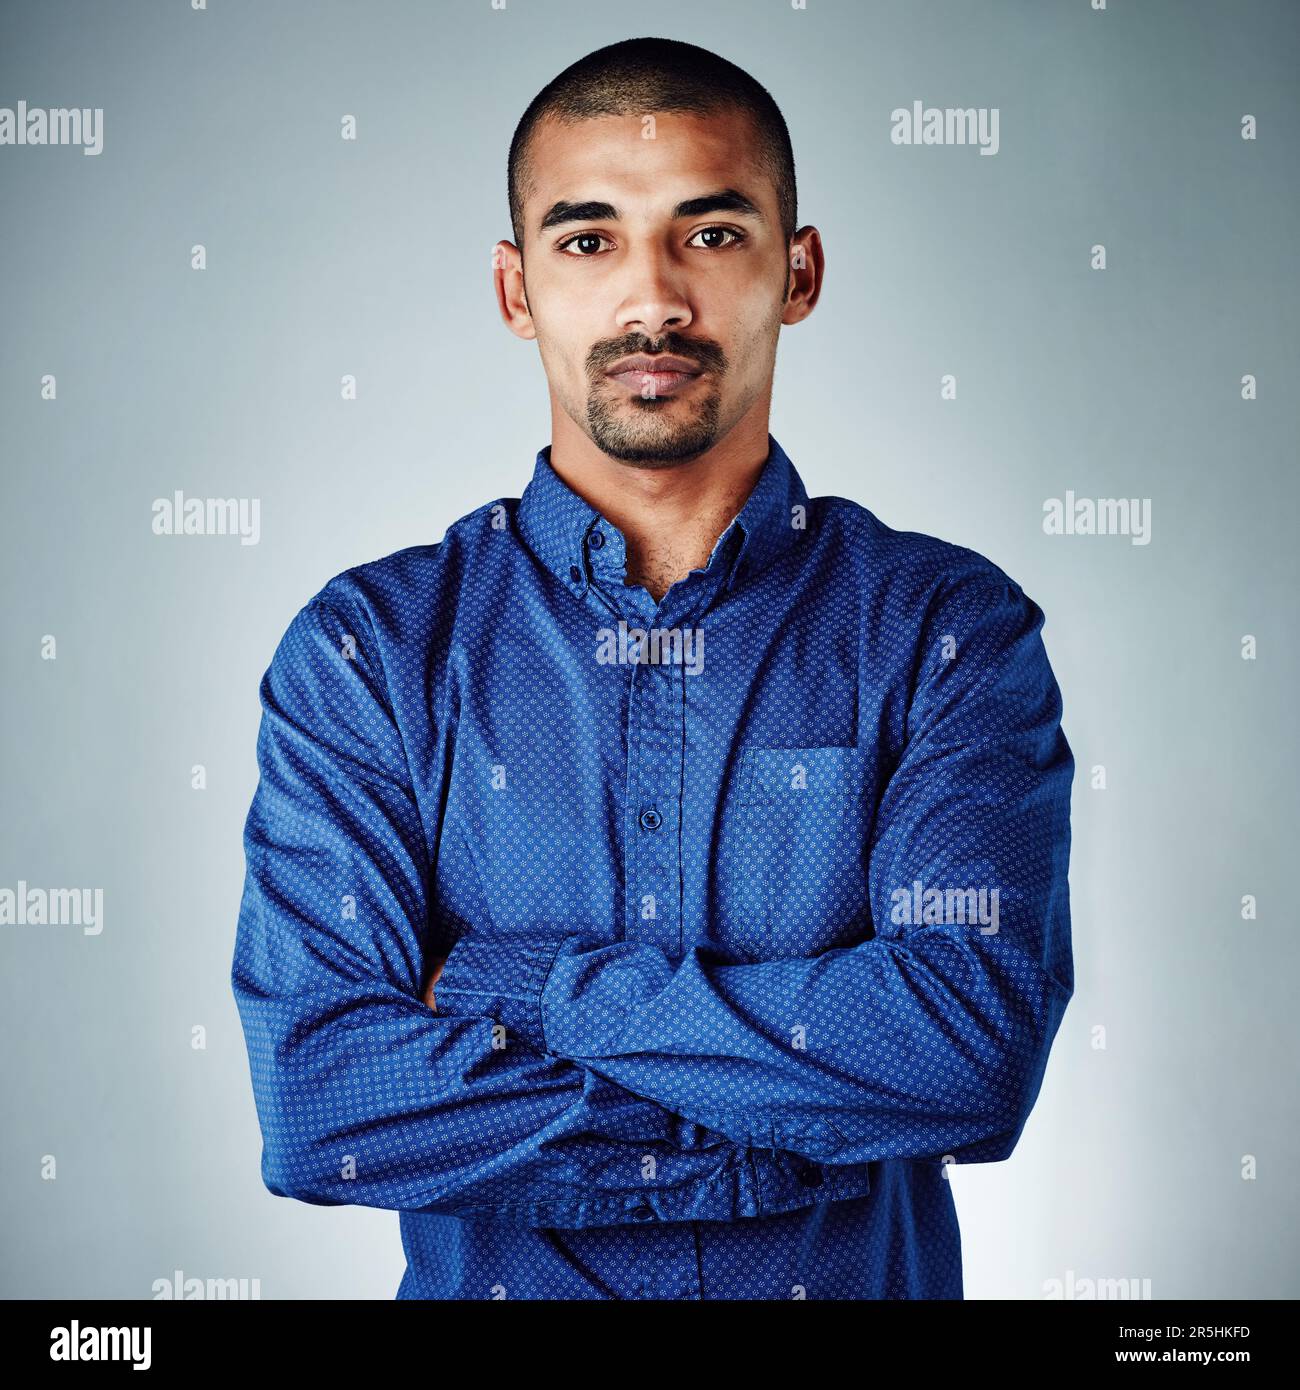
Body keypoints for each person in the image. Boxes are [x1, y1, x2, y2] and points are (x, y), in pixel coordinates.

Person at [231, 35, 1074, 1301]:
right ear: (517, 292)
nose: (653, 301)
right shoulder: (371, 651)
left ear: (799, 271)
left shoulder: (946, 631)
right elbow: (325, 1100)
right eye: (588, 240)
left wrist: (524, 986)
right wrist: (782, 1130)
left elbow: (963, 1055)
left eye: (710, 233)